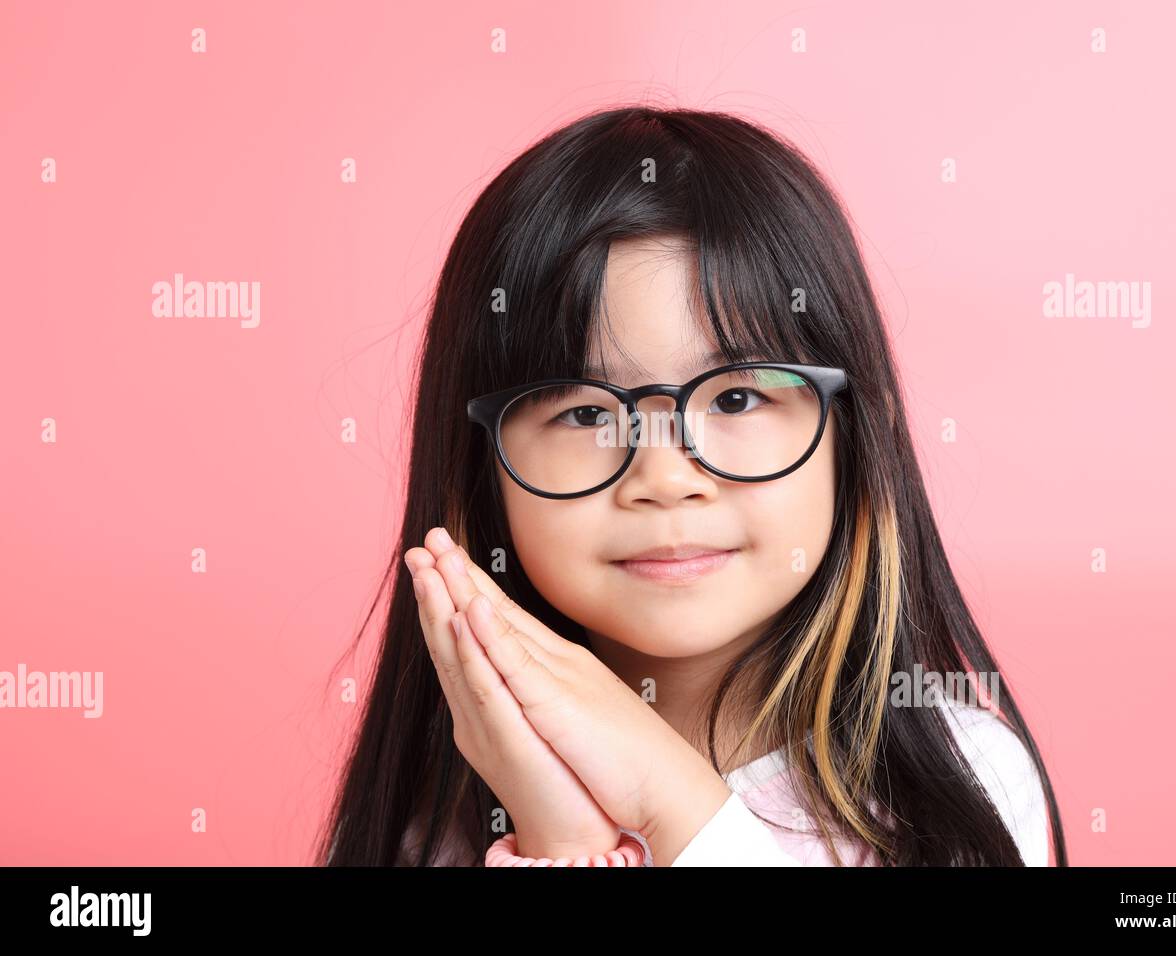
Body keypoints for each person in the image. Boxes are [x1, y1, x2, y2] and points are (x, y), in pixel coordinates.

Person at [318, 106, 1066, 867]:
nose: (667, 480)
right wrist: (562, 841)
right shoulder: (417, 828)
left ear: (854, 434)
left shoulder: (961, 791)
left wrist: (673, 802)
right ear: (481, 463)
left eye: (736, 399)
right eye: (584, 413)